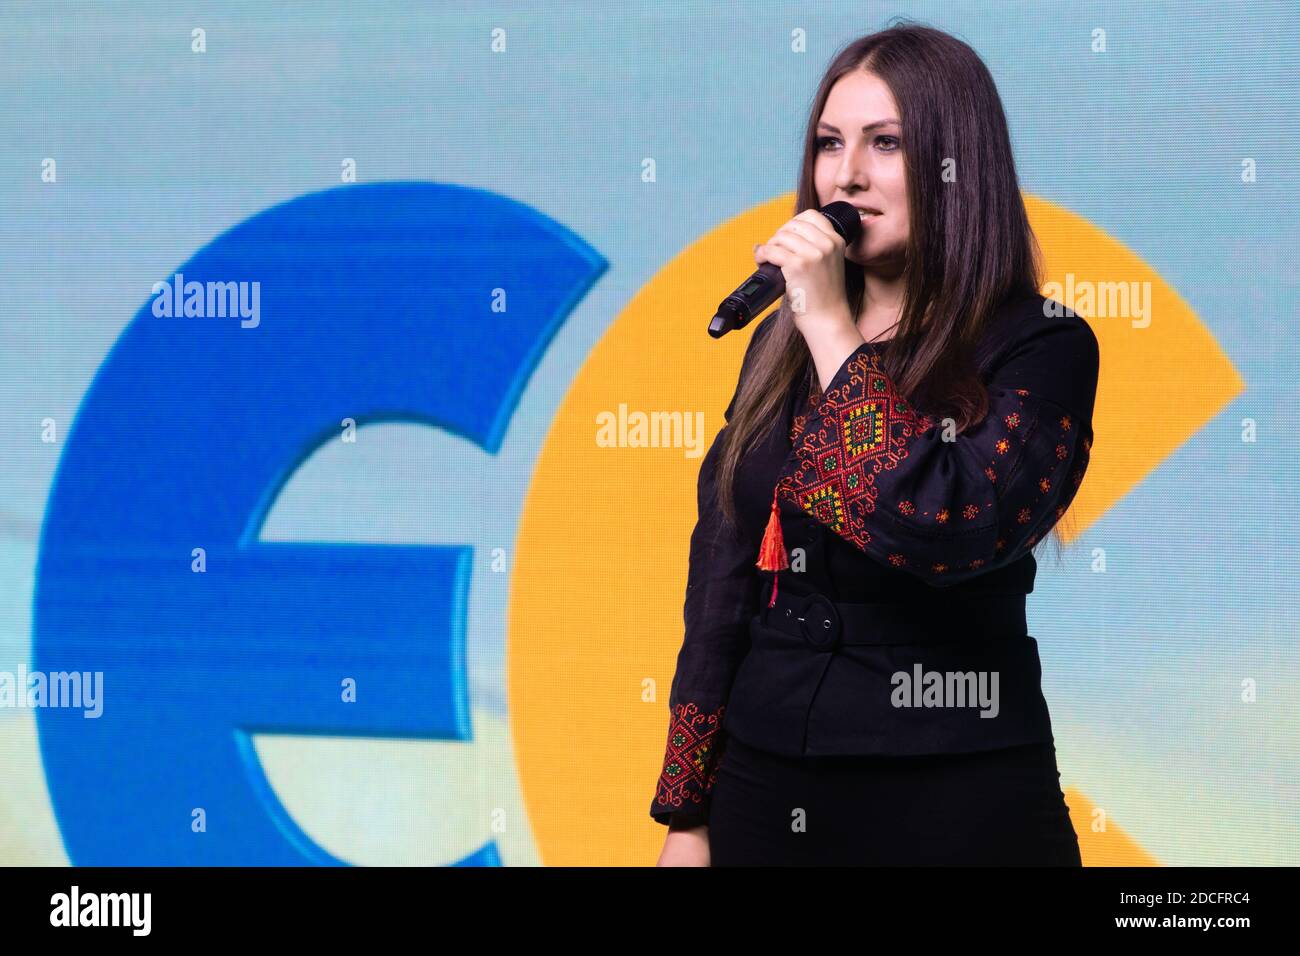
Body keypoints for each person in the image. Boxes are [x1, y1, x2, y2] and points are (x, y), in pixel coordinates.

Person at [652, 23, 1100, 866]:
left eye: (885, 143)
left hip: (959, 791)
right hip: (767, 779)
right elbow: (723, 575)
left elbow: (948, 526)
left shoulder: (1042, 343)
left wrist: (826, 323)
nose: (845, 174)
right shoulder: (776, 346)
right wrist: (688, 809)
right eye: (829, 144)